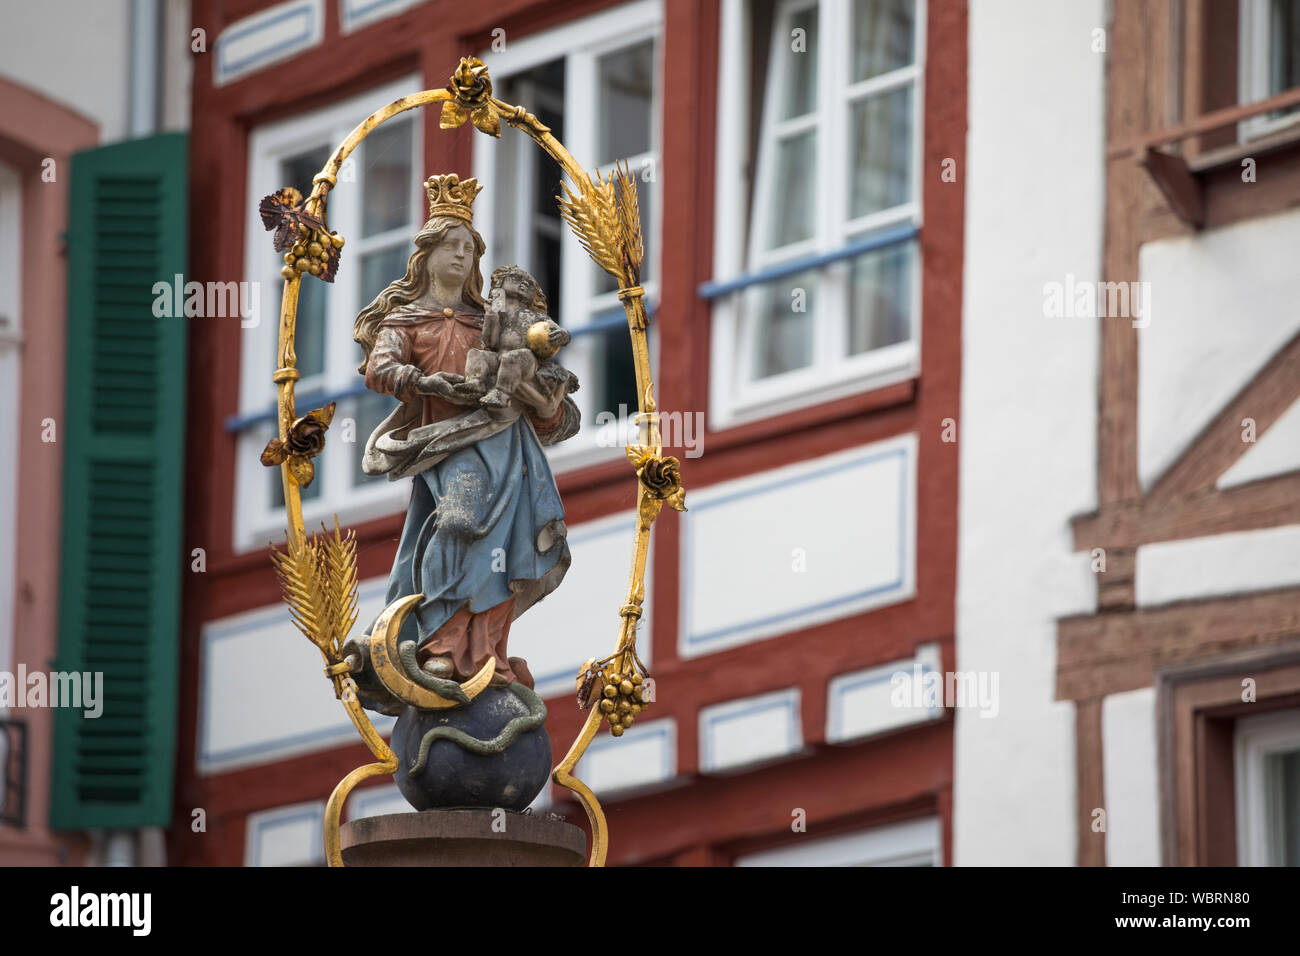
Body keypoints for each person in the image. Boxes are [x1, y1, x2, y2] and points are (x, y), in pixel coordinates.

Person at [348, 174, 579, 709]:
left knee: (505, 542)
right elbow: (380, 368)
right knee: (458, 521)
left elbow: (549, 403)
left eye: (468, 249)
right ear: (425, 255)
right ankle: (436, 635)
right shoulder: (405, 318)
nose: (459, 256)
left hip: (508, 444)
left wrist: (535, 386)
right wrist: (425, 382)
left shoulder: (491, 322)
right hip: (446, 440)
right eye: (450, 246)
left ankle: (485, 651)